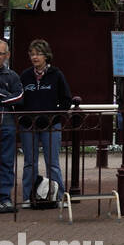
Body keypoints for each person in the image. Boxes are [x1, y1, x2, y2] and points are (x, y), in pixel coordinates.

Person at [20, 38, 73, 207]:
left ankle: (59, 196)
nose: (35, 57)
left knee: (53, 162)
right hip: (29, 125)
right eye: (32, 54)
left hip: (51, 125)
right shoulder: (25, 75)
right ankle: (28, 197)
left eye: (38, 54)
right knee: (29, 162)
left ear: (46, 56)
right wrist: (23, 118)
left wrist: (55, 116)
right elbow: (19, 99)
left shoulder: (56, 75)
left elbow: (66, 99)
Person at [0, 40, 24, 212]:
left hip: (6, 124)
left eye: (0, 53)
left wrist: (1, 96)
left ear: (7, 55)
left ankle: (4, 198)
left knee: (6, 162)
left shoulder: (12, 76)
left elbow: (20, 97)